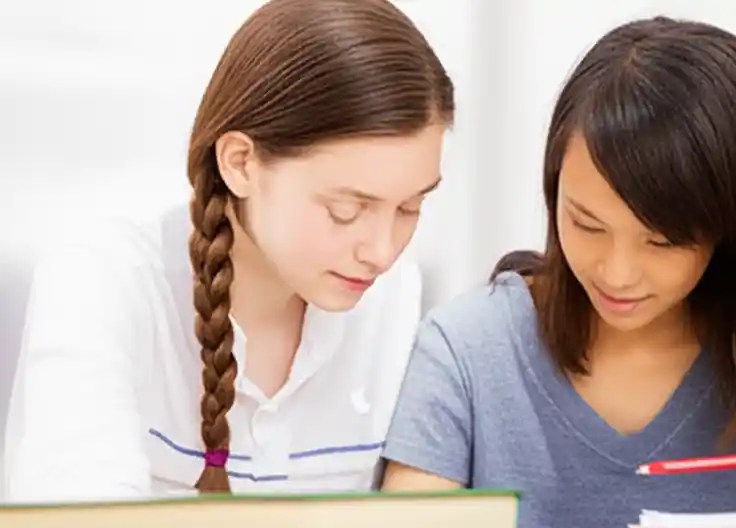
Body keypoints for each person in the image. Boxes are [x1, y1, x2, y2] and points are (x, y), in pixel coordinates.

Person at [381, 17, 736, 528]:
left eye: (661, 243)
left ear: (733, 226)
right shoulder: (466, 349)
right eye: (584, 222)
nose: (616, 271)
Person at [3, 0, 454, 500]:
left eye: (410, 208)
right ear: (240, 163)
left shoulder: (393, 297)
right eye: (345, 210)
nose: (382, 251)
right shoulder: (102, 282)